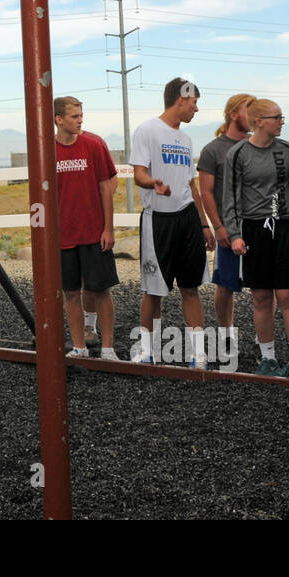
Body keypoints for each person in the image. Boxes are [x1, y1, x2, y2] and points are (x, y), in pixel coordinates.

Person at [223, 99, 289, 378]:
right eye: (277, 117)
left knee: (287, 295)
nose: (282, 121)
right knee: (261, 297)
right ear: (259, 121)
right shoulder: (237, 154)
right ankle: (268, 359)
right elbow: (231, 197)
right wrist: (235, 234)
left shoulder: (288, 150)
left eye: (282, 116)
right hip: (253, 230)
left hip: (285, 227)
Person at [129, 78, 215, 368]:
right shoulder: (148, 130)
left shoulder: (186, 139)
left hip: (187, 219)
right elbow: (138, 173)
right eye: (194, 103)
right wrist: (153, 183)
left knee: (190, 288)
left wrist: (204, 225)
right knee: (153, 290)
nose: (196, 109)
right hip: (158, 220)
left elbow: (192, 185)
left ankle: (197, 354)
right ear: (181, 99)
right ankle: (147, 350)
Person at [53, 97, 121, 360]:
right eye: (74, 116)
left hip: (94, 232)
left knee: (101, 290)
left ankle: (107, 348)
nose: (80, 120)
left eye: (81, 115)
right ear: (59, 119)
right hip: (64, 235)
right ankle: (79, 346)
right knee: (70, 292)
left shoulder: (94, 144)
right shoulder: (47, 150)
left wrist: (108, 228)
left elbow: (106, 187)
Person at [197, 93, 256, 369]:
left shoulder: (262, 146)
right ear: (234, 114)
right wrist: (217, 226)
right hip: (230, 228)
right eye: (250, 111)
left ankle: (261, 337)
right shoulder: (213, 150)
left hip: (259, 226)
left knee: (263, 284)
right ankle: (225, 336)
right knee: (225, 284)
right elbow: (206, 191)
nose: (256, 117)